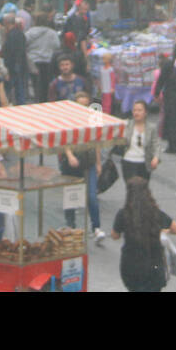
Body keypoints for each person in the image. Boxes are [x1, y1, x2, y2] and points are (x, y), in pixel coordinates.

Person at [110, 176, 176, 292]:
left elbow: (114, 235)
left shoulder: (123, 214)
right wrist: (164, 231)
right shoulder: (156, 213)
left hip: (131, 266)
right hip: (153, 266)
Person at [59, 90, 105, 242]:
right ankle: (71, 226)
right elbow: (64, 140)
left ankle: (96, 227)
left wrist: (98, 163)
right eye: (80, 105)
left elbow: (96, 143)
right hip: (71, 165)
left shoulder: (92, 121)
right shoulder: (69, 121)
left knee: (92, 196)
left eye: (86, 105)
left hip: (88, 163)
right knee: (71, 196)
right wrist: (70, 155)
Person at [120, 99, 160, 183]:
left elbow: (156, 144)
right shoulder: (127, 124)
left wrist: (156, 157)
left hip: (144, 163)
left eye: (139, 110)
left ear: (145, 112)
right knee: (132, 189)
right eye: (134, 110)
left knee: (143, 190)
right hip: (128, 161)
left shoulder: (151, 127)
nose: (136, 113)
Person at [25, 18, 61, 102]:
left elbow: (24, 43)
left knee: (35, 83)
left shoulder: (29, 33)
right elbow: (57, 45)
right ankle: (45, 99)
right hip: (47, 60)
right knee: (46, 83)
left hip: (33, 61)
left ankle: (36, 99)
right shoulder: (52, 33)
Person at [0, 13, 29, 104]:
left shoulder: (11, 35)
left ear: (6, 23)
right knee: (20, 89)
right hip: (21, 64)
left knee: (9, 88)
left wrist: (8, 65)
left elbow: (10, 51)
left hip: (13, 66)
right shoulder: (20, 33)